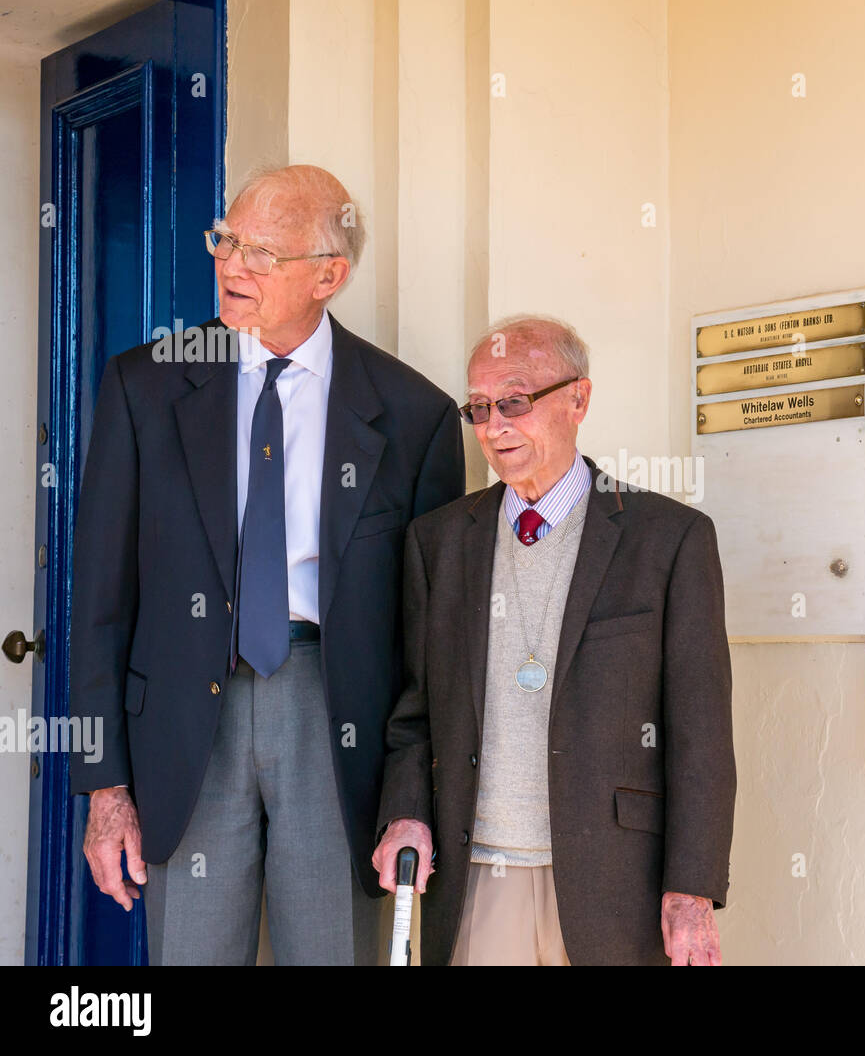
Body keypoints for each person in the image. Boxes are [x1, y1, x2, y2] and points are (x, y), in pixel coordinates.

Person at [70, 165, 465, 965]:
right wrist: (105, 788)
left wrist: (410, 793)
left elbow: (433, 642)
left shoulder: (416, 415)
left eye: (260, 252)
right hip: (184, 719)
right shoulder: (144, 384)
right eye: (225, 240)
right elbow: (101, 600)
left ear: (330, 275)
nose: (230, 265)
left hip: (335, 718)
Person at [373, 316, 736, 965]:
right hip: (480, 879)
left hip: (616, 884)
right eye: (479, 408)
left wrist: (693, 888)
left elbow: (701, 734)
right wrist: (405, 814)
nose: (494, 427)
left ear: (579, 399)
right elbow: (415, 713)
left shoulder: (669, 539)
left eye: (514, 401)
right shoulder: (440, 543)